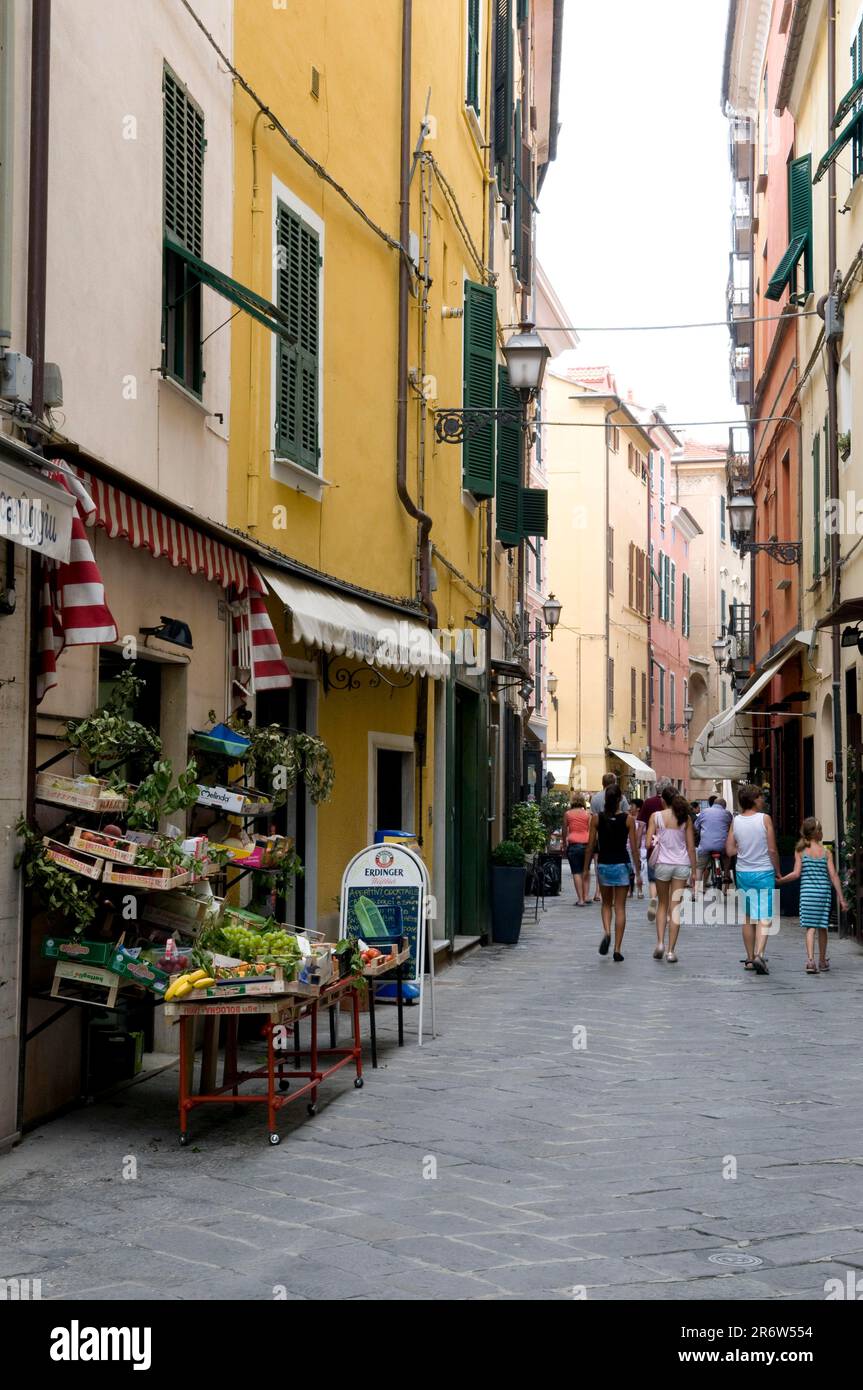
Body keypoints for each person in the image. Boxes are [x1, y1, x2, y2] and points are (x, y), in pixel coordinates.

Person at [777, 818, 848, 973]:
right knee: (822, 928)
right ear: (817, 833)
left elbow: (796, 874)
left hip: (807, 895)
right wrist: (841, 898)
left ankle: (810, 961)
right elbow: (834, 876)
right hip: (823, 895)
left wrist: (781, 881)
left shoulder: (801, 851)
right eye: (821, 830)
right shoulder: (826, 853)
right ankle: (822, 961)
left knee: (810, 928)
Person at [725, 784, 780, 976]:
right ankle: (759, 954)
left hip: (743, 872)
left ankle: (749, 958)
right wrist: (778, 871)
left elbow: (729, 850)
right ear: (754, 799)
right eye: (760, 797)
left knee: (748, 917)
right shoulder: (765, 819)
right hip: (764, 870)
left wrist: (743, 850)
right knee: (764, 915)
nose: (763, 799)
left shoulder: (736, 821)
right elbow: (772, 849)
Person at [583, 784, 641, 961]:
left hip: (604, 865)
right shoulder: (629, 820)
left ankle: (607, 932)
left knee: (606, 904)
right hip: (622, 865)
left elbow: (591, 845)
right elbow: (634, 848)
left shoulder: (596, 818)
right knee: (620, 907)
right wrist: (638, 871)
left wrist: (586, 868)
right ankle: (617, 949)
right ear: (620, 800)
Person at [646, 785, 697, 963]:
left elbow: (647, 843)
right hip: (682, 865)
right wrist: (695, 871)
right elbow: (691, 847)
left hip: (662, 864)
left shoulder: (656, 817)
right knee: (674, 908)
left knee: (662, 905)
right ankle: (670, 951)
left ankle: (659, 943)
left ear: (663, 800)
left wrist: (658, 839)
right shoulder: (685, 818)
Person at [588, 775, 629, 900]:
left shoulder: (595, 798)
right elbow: (625, 814)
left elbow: (592, 817)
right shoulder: (621, 798)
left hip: (601, 836)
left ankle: (598, 891)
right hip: (618, 837)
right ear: (615, 783)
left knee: (599, 863)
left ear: (602, 783)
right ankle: (617, 891)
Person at [637, 777, 670, 922]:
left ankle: (652, 898)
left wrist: (638, 843)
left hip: (653, 846)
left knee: (652, 878)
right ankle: (667, 912)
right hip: (669, 846)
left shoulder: (648, 802)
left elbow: (641, 825)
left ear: (656, 788)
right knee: (667, 880)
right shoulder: (673, 803)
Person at [695, 796, 733, 889]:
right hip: (722, 846)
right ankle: (726, 879)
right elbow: (732, 828)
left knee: (699, 867)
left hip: (705, 846)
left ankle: (694, 892)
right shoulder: (727, 814)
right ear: (724, 806)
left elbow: (696, 826)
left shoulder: (704, 812)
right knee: (727, 858)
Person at [563, 794, 591, 906]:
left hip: (573, 844)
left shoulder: (567, 814)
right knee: (586, 870)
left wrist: (564, 844)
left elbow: (564, 829)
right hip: (587, 844)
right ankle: (586, 896)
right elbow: (590, 830)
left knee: (576, 872)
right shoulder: (588, 814)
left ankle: (580, 899)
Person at [631, 798, 646, 898]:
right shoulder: (629, 818)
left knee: (638, 870)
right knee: (630, 870)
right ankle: (630, 890)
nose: (630, 808)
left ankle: (640, 890)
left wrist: (638, 848)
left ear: (638, 808)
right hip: (629, 846)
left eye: (632, 806)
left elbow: (640, 836)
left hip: (641, 848)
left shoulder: (642, 821)